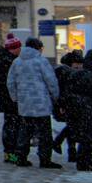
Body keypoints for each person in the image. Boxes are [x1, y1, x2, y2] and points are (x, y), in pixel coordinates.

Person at [6, 37, 61, 168]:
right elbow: (51, 81)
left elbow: (10, 82)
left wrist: (15, 98)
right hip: (41, 102)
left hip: (25, 104)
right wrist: (55, 96)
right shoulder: (41, 61)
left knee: (24, 131)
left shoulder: (17, 62)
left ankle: (21, 157)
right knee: (45, 134)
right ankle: (44, 159)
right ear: (38, 48)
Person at [0, 37, 22, 161]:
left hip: (6, 98)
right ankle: (12, 154)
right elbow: (10, 82)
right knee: (13, 125)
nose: (21, 50)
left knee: (10, 124)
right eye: (19, 47)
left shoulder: (2, 60)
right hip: (11, 98)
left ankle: (9, 153)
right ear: (14, 49)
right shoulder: (10, 62)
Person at [52, 50, 83, 161]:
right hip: (67, 103)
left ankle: (68, 150)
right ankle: (60, 144)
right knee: (72, 126)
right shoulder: (63, 72)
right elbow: (61, 90)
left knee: (72, 126)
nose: (79, 66)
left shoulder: (66, 71)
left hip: (71, 103)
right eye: (77, 64)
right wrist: (62, 104)